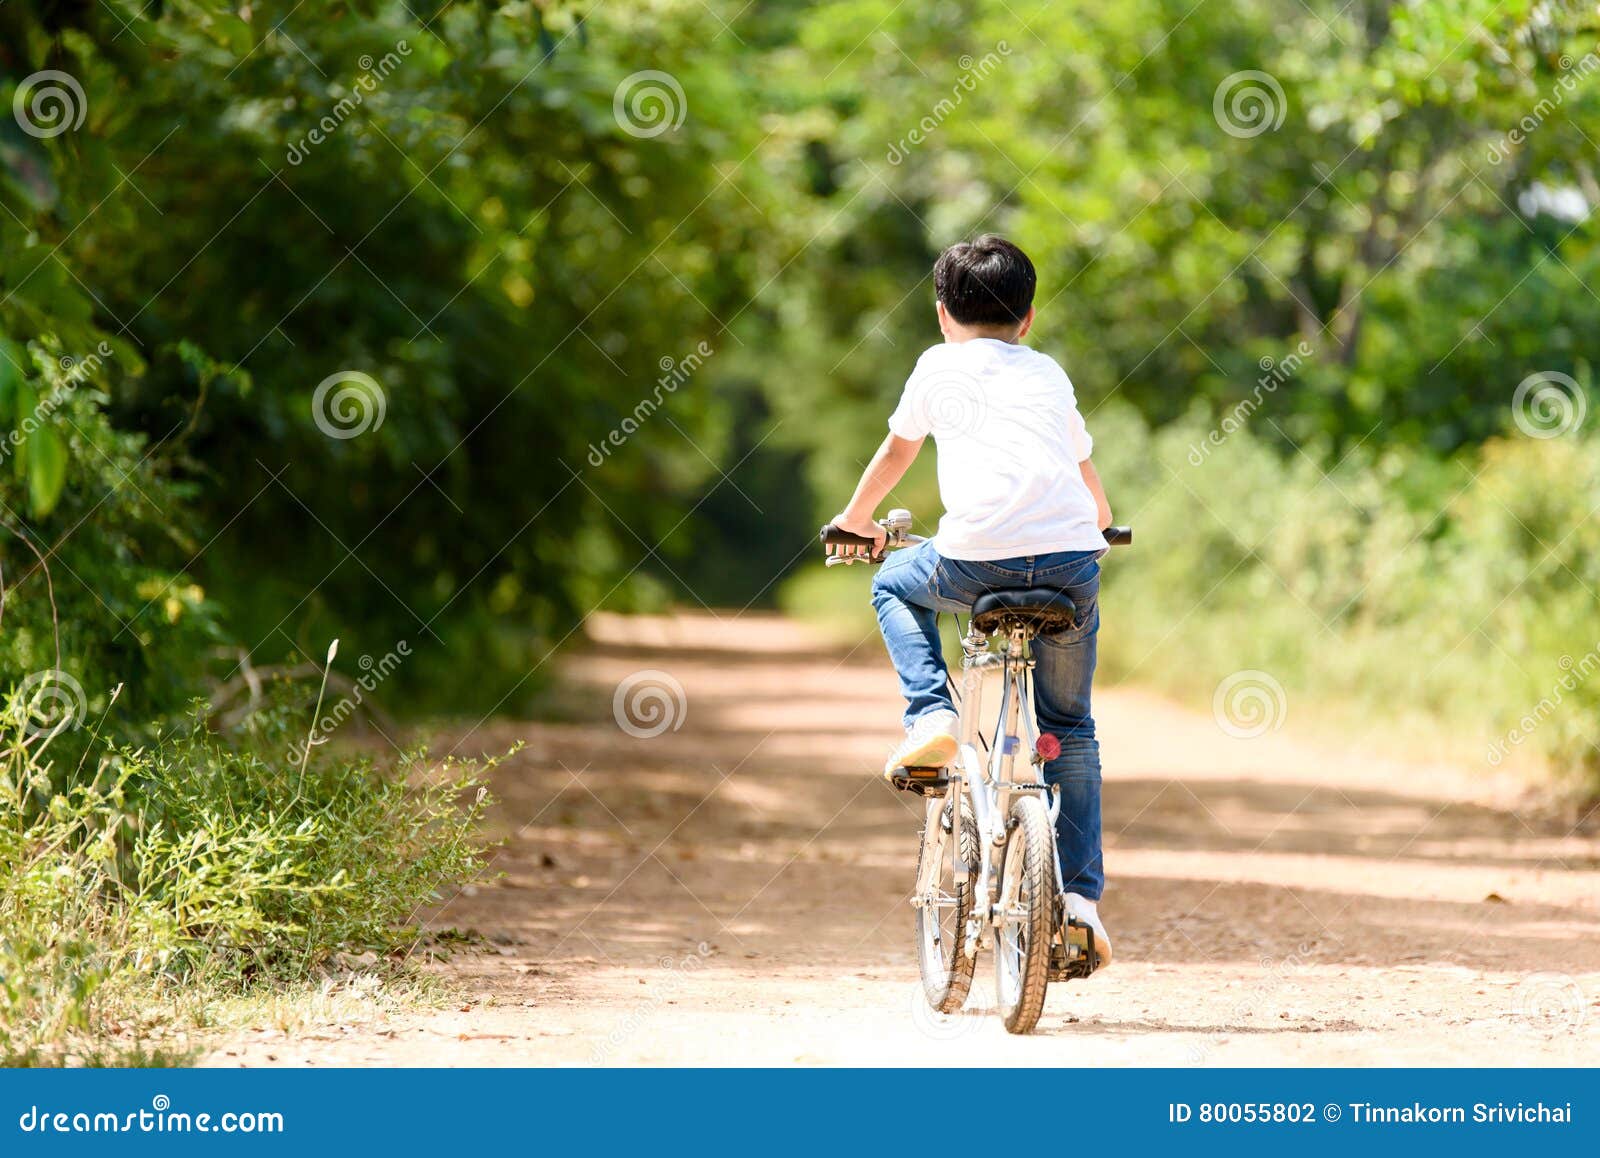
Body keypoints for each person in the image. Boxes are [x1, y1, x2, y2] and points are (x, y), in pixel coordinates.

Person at [825, 234, 1116, 964]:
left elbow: (898, 452)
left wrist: (855, 524)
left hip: (971, 565)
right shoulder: (1048, 372)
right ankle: (1079, 899)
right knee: (1070, 729)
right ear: (1029, 317)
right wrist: (1104, 528)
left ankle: (931, 714)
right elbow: (1083, 469)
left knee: (893, 579)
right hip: (1070, 566)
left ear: (942, 313)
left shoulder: (938, 365)